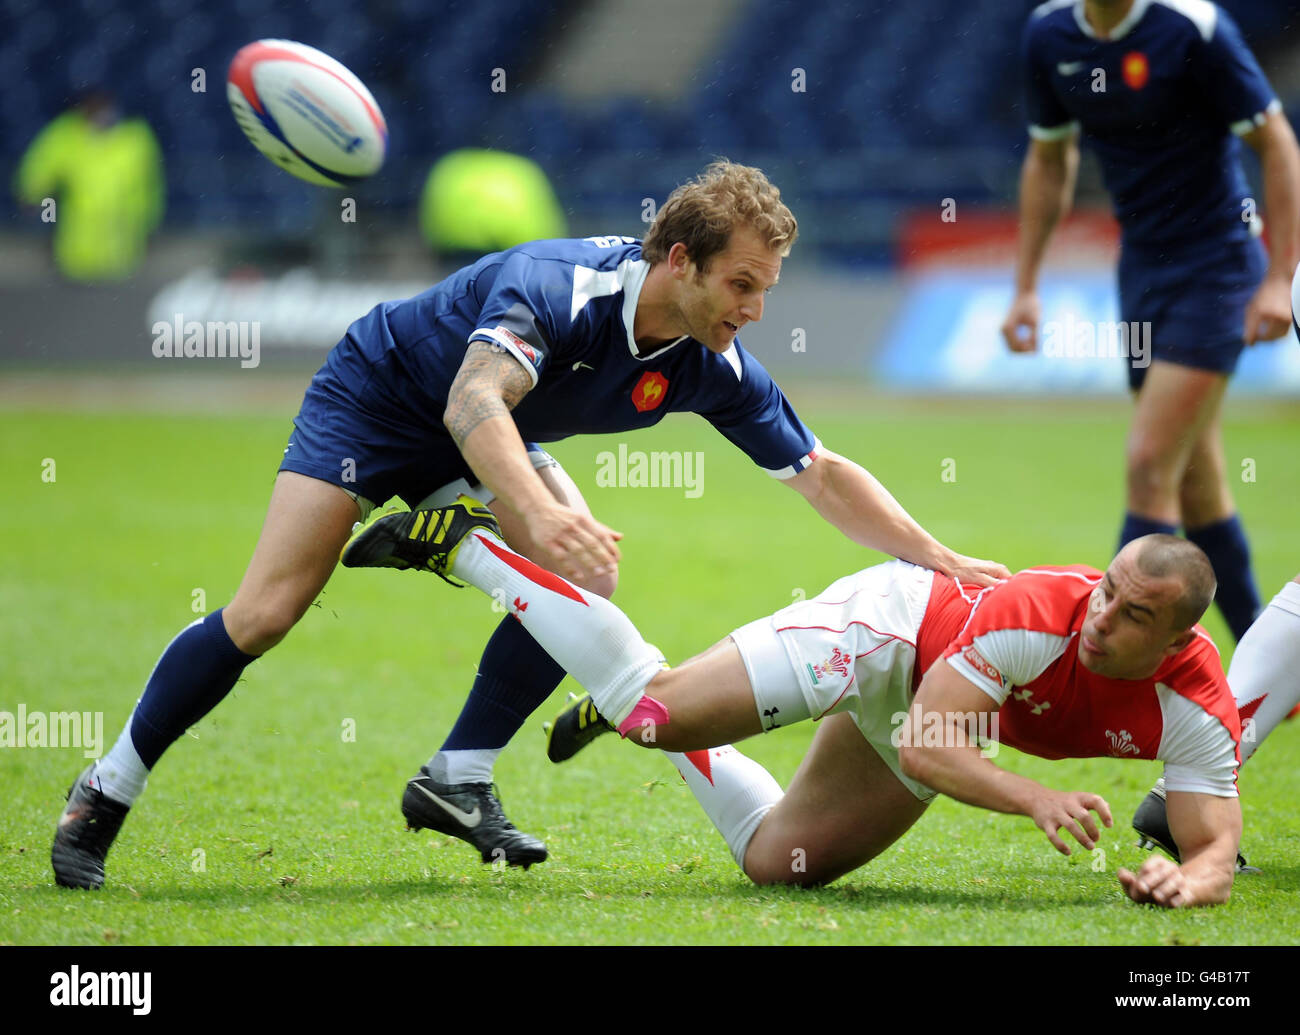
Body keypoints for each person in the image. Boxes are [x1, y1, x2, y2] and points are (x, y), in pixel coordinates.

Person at [51, 160, 1007, 890]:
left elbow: (819, 472)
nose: (754, 312)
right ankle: (107, 786)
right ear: (681, 261)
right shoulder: (561, 286)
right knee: (265, 613)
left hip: (482, 437)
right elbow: (473, 399)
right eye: (743, 286)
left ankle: (455, 776)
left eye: (767, 291)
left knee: (582, 583)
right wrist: (542, 512)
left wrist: (934, 555)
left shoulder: (709, 358)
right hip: (378, 398)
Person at [345, 506, 1244, 908]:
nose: (1103, 618)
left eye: (1134, 615)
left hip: (940, 703)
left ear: (1176, 645)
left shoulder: (1197, 708)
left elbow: (1213, 848)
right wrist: (1035, 798)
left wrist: (1186, 882)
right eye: (1108, 590)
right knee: (657, 708)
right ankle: (465, 546)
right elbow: (933, 748)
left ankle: (657, 713)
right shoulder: (1042, 613)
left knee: (782, 863)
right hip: (893, 630)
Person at [1000, 0, 1300, 646]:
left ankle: (1104, 661)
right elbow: (1050, 159)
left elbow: (1276, 142)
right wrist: (1025, 287)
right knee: (1196, 484)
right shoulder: (1049, 35)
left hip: (1218, 265)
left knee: (1148, 463)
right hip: (1141, 270)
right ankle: (1272, 663)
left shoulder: (1193, 26)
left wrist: (1279, 276)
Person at [13, 89, 165, 281]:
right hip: (75, 253)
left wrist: (150, 221)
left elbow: (149, 187)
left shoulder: (134, 139)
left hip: (122, 252)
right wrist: (31, 193)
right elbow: (40, 165)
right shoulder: (66, 135)